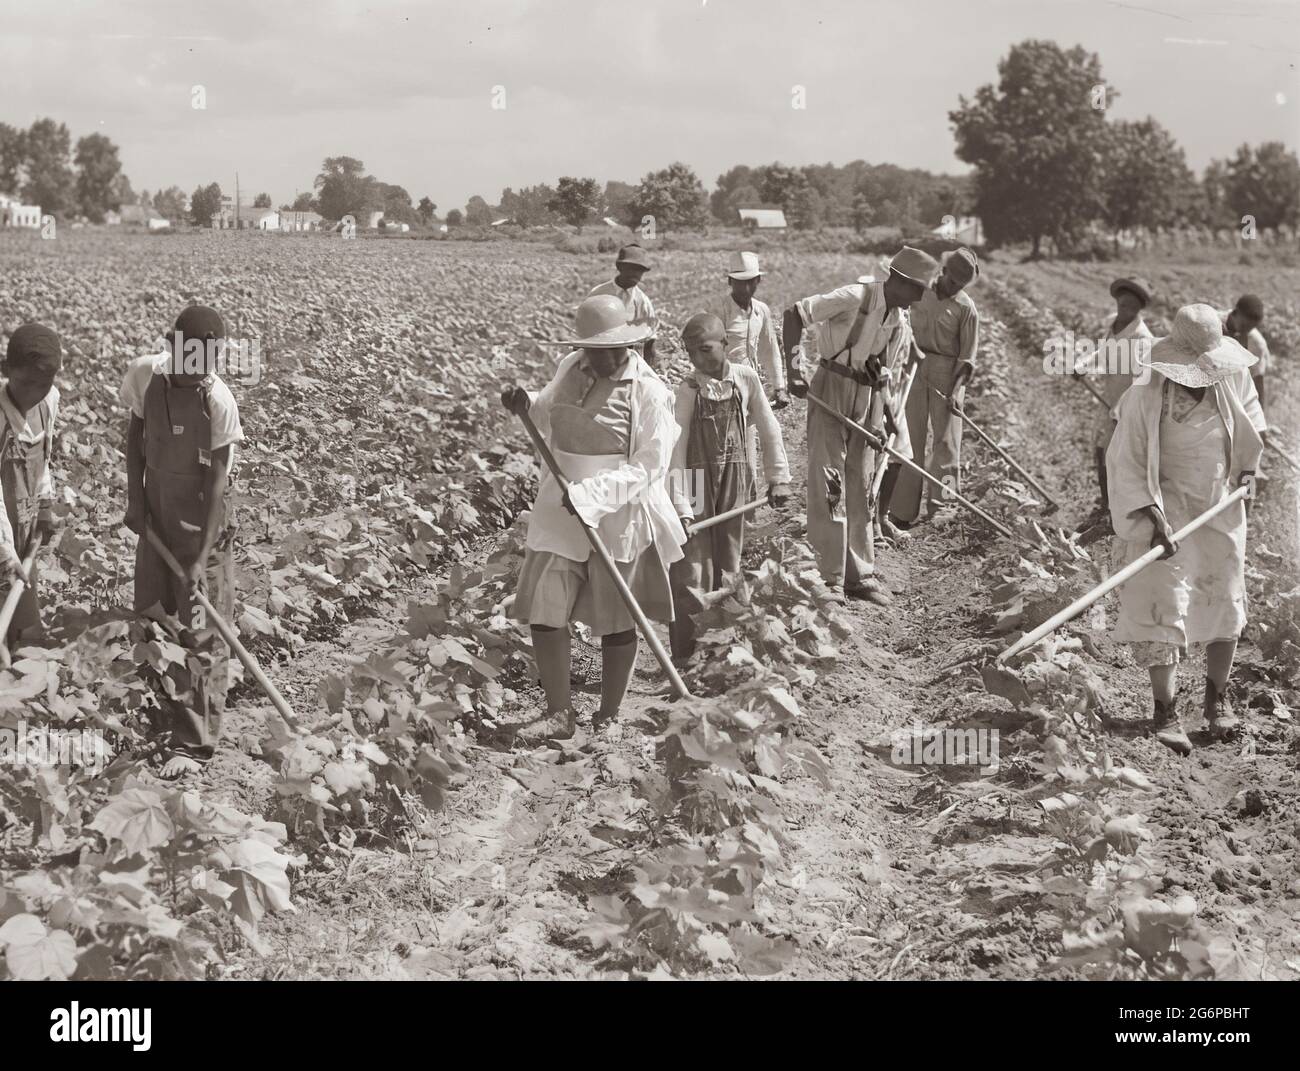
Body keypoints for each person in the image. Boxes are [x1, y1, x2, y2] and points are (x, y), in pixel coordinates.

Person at [502, 294, 686, 743]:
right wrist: (523, 401)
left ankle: (609, 714)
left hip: (616, 513)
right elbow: (546, 410)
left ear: (627, 345)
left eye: (610, 350)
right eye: (592, 349)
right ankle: (559, 710)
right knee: (546, 611)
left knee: (617, 619)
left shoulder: (649, 390)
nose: (600, 358)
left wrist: (593, 496)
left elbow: (651, 464)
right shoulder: (570, 367)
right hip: (559, 510)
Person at [1106, 304, 1266, 755]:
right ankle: (1166, 710)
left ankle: (1217, 701)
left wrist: (1249, 474)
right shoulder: (1146, 393)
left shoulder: (1231, 378)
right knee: (1164, 602)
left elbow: (1253, 426)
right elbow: (1126, 460)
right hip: (1166, 508)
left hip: (1219, 505)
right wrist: (1153, 517)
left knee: (1223, 597)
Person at [121, 305, 244, 778]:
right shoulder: (145, 374)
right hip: (156, 520)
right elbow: (134, 440)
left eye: (207, 366)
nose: (199, 375)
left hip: (202, 529)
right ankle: (157, 715)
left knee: (201, 634)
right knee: (151, 614)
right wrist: (136, 502)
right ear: (172, 349)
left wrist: (199, 556)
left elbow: (216, 479)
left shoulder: (219, 401)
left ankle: (195, 742)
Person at [783, 246, 937, 604]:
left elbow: (883, 374)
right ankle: (828, 576)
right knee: (829, 479)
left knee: (862, 482)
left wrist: (881, 419)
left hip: (866, 398)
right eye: (918, 289)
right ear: (900, 281)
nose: (920, 297)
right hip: (831, 385)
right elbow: (795, 315)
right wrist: (794, 369)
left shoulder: (899, 321)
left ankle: (860, 575)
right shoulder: (855, 296)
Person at [667, 313, 791, 660]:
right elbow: (676, 451)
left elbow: (769, 429)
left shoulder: (745, 379)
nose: (698, 359)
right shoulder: (688, 390)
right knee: (691, 569)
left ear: (725, 344)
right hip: (693, 481)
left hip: (735, 477)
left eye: (706, 350)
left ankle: (723, 648)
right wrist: (680, 507)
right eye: (692, 352)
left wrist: (778, 478)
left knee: (729, 565)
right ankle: (685, 654)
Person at [888, 248, 980, 532]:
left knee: (946, 443)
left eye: (960, 285)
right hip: (913, 367)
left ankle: (944, 506)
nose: (954, 287)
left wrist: (956, 390)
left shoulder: (965, 308)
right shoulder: (920, 292)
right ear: (943, 273)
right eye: (952, 281)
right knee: (908, 437)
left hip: (948, 374)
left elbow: (968, 357)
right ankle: (901, 510)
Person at [0, 324, 63, 644]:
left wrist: (45, 506)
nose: (33, 392)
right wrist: (4, 553)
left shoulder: (49, 400)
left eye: (43, 384)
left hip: (23, 532)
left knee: (25, 630)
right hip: (2, 533)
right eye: (25, 383)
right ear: (6, 369)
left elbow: (44, 460)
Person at [1076, 276, 1154, 527]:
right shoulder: (1115, 326)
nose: (1125, 310)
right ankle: (1106, 504)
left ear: (1138, 309)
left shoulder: (1141, 340)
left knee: (1121, 459)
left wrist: (1123, 409)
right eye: (1122, 305)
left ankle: (1119, 511)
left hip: (1127, 408)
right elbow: (1103, 352)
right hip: (1109, 403)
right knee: (1102, 453)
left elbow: (1141, 381)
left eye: (1131, 306)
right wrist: (1083, 365)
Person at [714, 252, 788, 408]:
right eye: (739, 282)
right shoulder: (720, 310)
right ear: (730, 282)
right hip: (724, 385)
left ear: (758, 281)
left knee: (753, 430)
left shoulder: (761, 310)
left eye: (750, 282)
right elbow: (710, 352)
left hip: (751, 384)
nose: (746, 288)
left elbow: (770, 348)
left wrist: (779, 387)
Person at [589, 244, 658, 370]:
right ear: (619, 267)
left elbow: (650, 342)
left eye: (640, 270)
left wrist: (650, 373)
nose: (635, 274)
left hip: (629, 363)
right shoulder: (599, 293)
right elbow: (584, 330)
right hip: (598, 359)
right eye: (631, 268)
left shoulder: (642, 301)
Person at [1221, 295, 1269, 410]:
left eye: (1250, 328)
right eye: (1244, 326)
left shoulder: (1257, 343)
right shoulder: (1211, 323)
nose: (1245, 332)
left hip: (1233, 393)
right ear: (1236, 312)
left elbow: (1257, 380)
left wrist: (1259, 416)